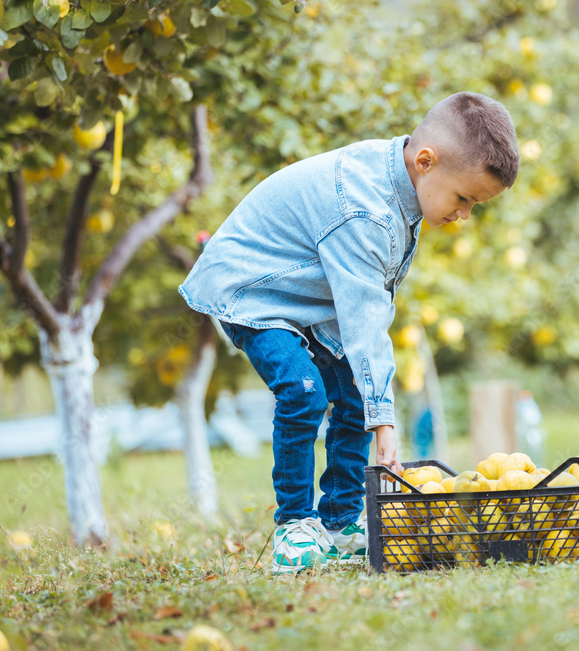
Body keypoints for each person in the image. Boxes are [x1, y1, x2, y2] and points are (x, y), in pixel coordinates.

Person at [178, 92, 519, 574]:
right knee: (303, 392)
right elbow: (364, 319)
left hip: (306, 294)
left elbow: (367, 301)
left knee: (356, 394)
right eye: (464, 198)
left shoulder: (404, 183)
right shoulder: (365, 210)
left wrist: (372, 401)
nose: (464, 215)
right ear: (425, 161)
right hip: (252, 289)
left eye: (474, 205)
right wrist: (386, 422)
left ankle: (340, 523)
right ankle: (295, 524)